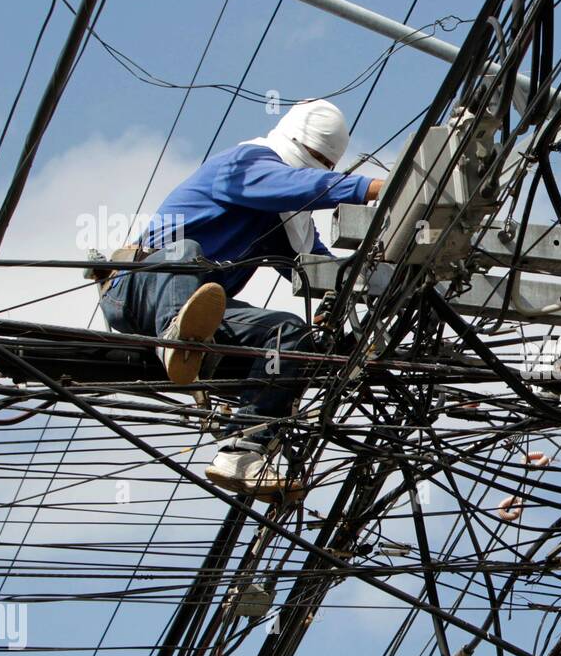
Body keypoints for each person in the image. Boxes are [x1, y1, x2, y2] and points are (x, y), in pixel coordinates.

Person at [99, 99, 383, 497]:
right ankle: (176, 338)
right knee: (186, 251)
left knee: (289, 334)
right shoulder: (243, 164)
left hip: (203, 313)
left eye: (322, 164)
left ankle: (242, 451)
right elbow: (295, 185)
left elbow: (318, 269)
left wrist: (376, 279)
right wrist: (369, 189)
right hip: (139, 289)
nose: (311, 169)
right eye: (311, 159)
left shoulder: (282, 215)